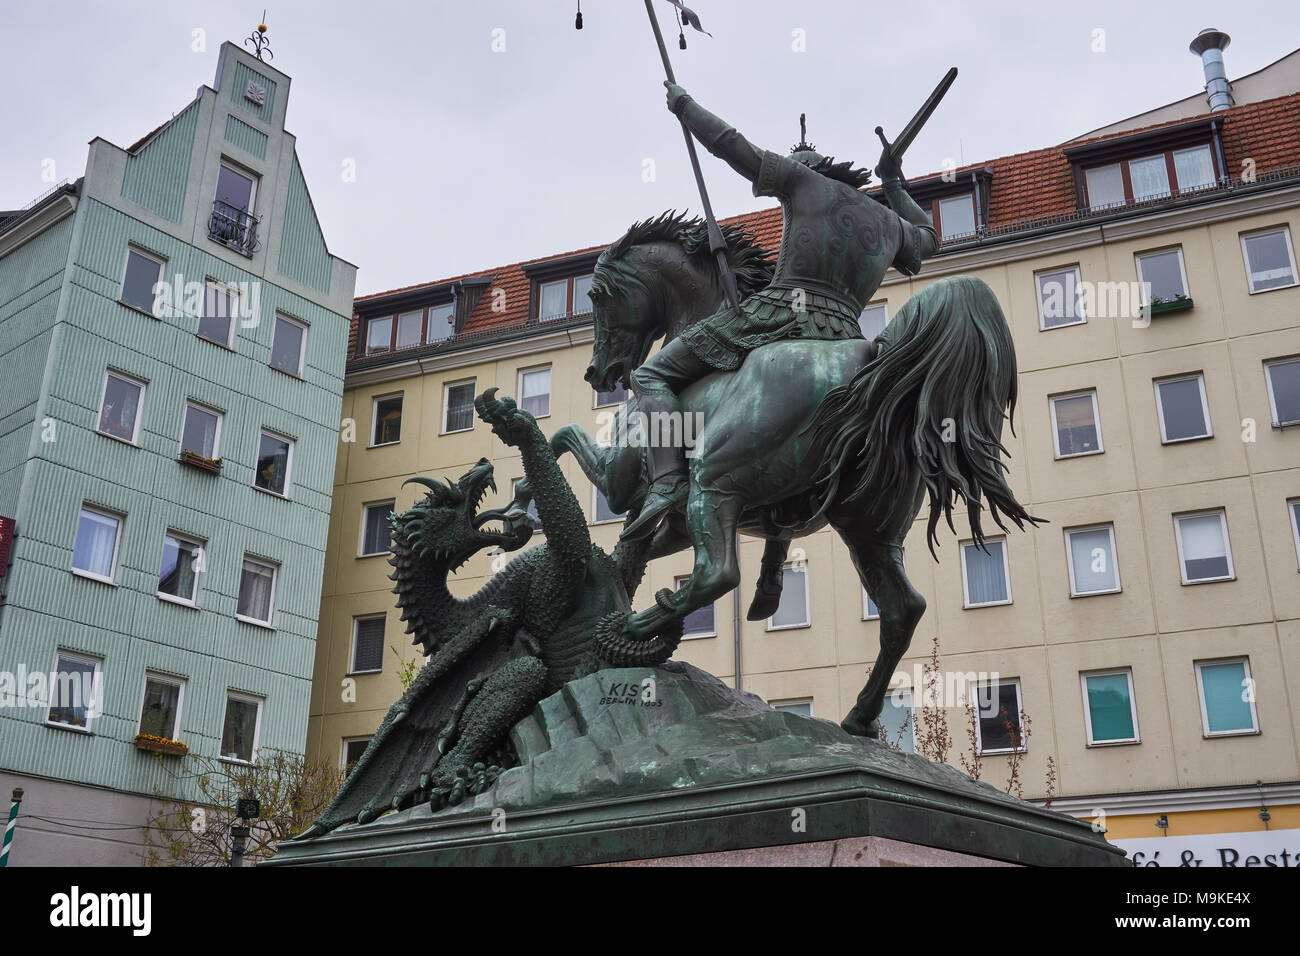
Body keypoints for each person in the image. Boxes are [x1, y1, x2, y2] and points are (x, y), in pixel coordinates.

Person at [620, 83, 941, 541]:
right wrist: (893, 182)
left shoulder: (804, 183)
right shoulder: (888, 220)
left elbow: (733, 145)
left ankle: (668, 480)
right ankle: (775, 548)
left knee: (651, 376)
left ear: (804, 169)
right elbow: (929, 240)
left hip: (782, 314)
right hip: (847, 335)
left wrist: (685, 107)